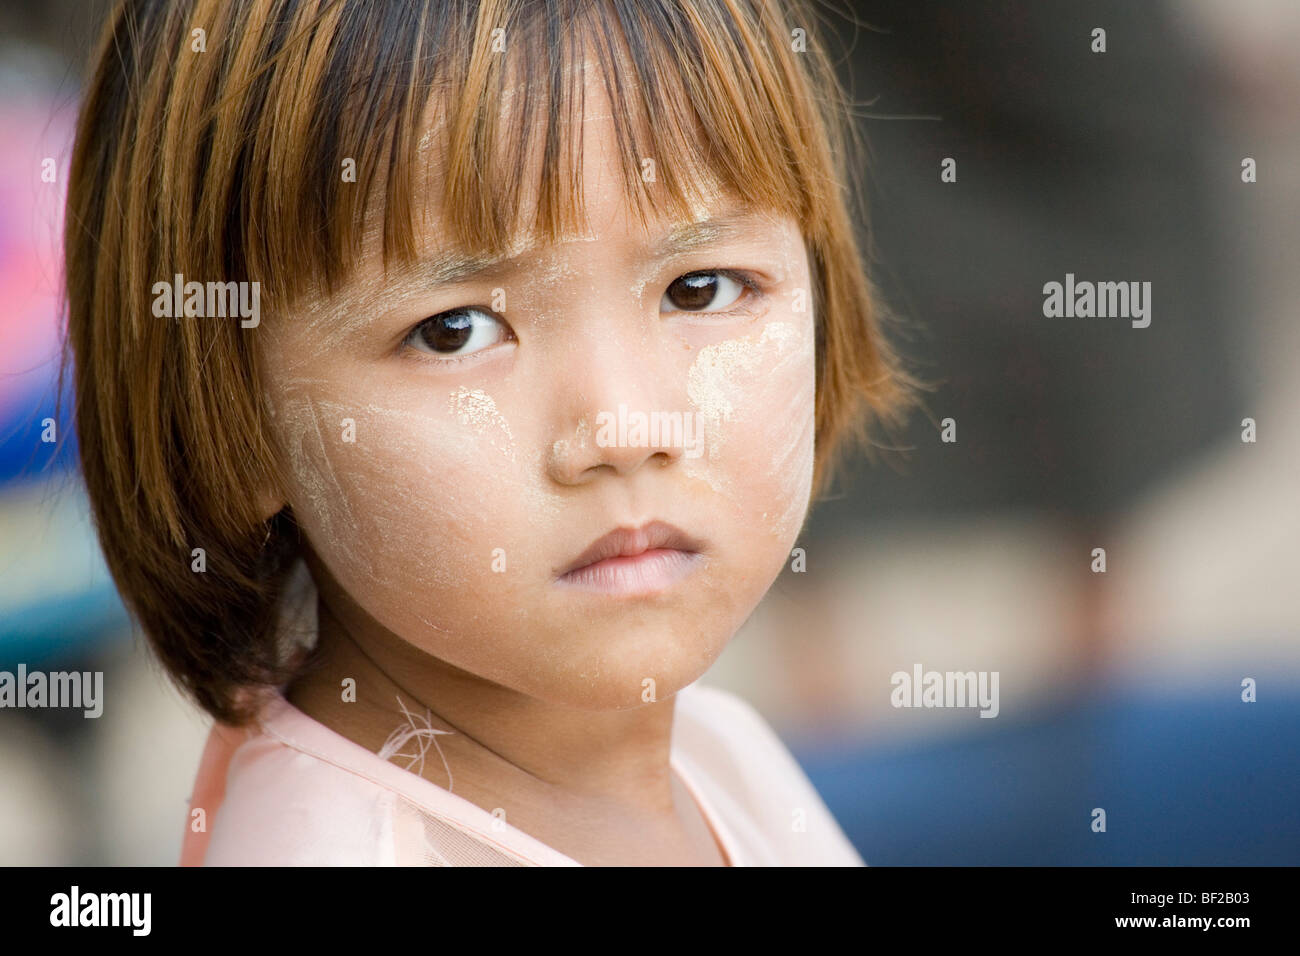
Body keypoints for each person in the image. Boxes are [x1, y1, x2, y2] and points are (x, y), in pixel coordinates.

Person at [63, 0, 917, 866]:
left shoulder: (721, 754)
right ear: (234, 431)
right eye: (455, 331)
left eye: (701, 289)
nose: (625, 427)